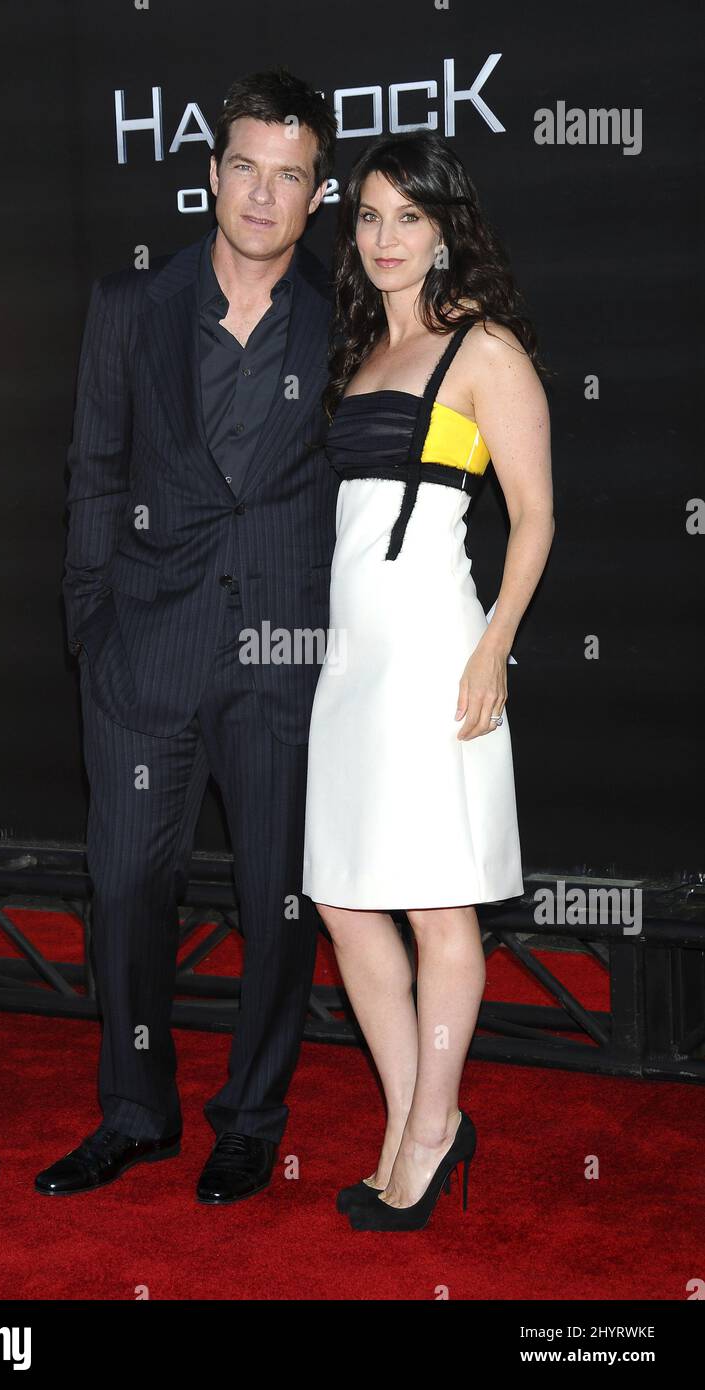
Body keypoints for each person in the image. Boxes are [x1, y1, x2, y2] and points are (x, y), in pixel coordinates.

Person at [36, 69, 339, 1205]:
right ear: (212, 176)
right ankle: (137, 1111)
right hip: (143, 659)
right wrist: (90, 629)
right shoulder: (132, 309)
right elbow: (94, 473)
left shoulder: (343, 317)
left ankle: (252, 1117)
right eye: (246, 168)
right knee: (122, 888)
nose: (264, 195)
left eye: (290, 175)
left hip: (281, 667)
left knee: (277, 902)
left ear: (317, 194)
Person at [301, 131, 555, 1230]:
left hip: (437, 660)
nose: (386, 236)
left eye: (409, 215)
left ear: (446, 229)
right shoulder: (359, 355)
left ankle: (433, 1127)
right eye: (367, 215)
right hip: (352, 670)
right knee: (346, 904)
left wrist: (495, 641)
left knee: (439, 910)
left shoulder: (483, 348)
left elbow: (536, 514)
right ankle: (416, 1117)